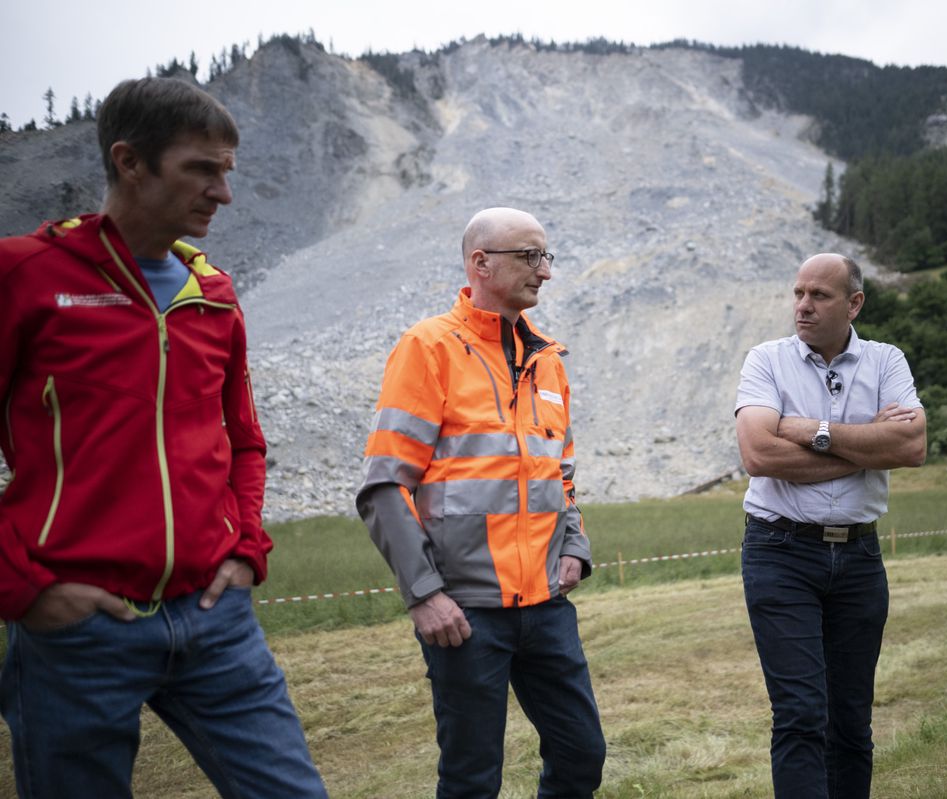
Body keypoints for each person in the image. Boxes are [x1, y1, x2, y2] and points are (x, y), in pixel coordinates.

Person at [0, 77, 326, 798]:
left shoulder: (213, 293)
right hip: (77, 632)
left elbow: (243, 439)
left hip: (216, 620)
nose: (223, 194)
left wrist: (245, 549)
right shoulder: (25, 275)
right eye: (201, 170)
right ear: (130, 161)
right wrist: (20, 587)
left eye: (227, 172)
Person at [357, 207, 606, 797]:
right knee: (471, 778)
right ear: (481, 263)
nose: (544, 271)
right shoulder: (428, 348)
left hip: (546, 606)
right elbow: (385, 485)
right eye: (530, 256)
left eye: (546, 256)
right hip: (464, 614)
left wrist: (575, 545)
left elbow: (559, 471)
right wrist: (425, 594)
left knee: (582, 757)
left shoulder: (548, 360)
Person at [734, 252, 927, 798]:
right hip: (780, 552)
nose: (803, 305)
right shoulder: (767, 360)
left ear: (854, 303)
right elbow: (758, 455)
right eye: (798, 293)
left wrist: (805, 429)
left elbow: (911, 446)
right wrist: (867, 445)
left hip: (861, 560)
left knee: (851, 719)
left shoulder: (887, 361)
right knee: (799, 713)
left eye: (819, 295)